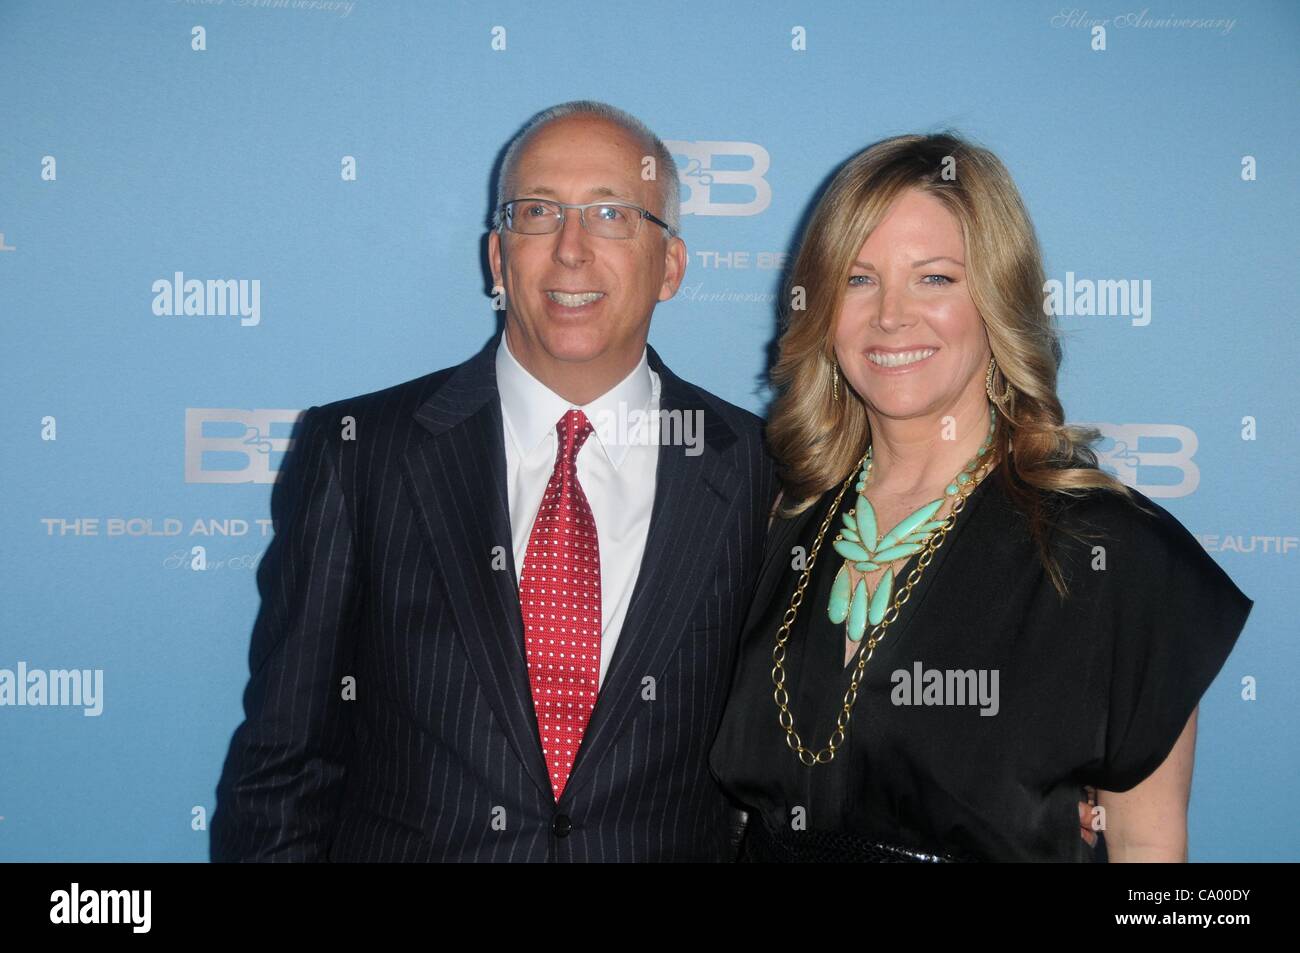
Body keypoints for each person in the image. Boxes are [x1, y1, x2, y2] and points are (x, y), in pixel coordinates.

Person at [211, 101, 776, 861]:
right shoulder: (358, 452)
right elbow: (282, 766)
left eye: (612, 214)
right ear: (497, 257)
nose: (571, 249)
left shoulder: (762, 470)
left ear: (670, 265)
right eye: (538, 212)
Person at [709, 132, 1253, 862]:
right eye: (859, 279)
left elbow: (1150, 852)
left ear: (998, 298)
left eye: (934, 278)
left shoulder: (1112, 554)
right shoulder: (785, 517)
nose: (892, 315)